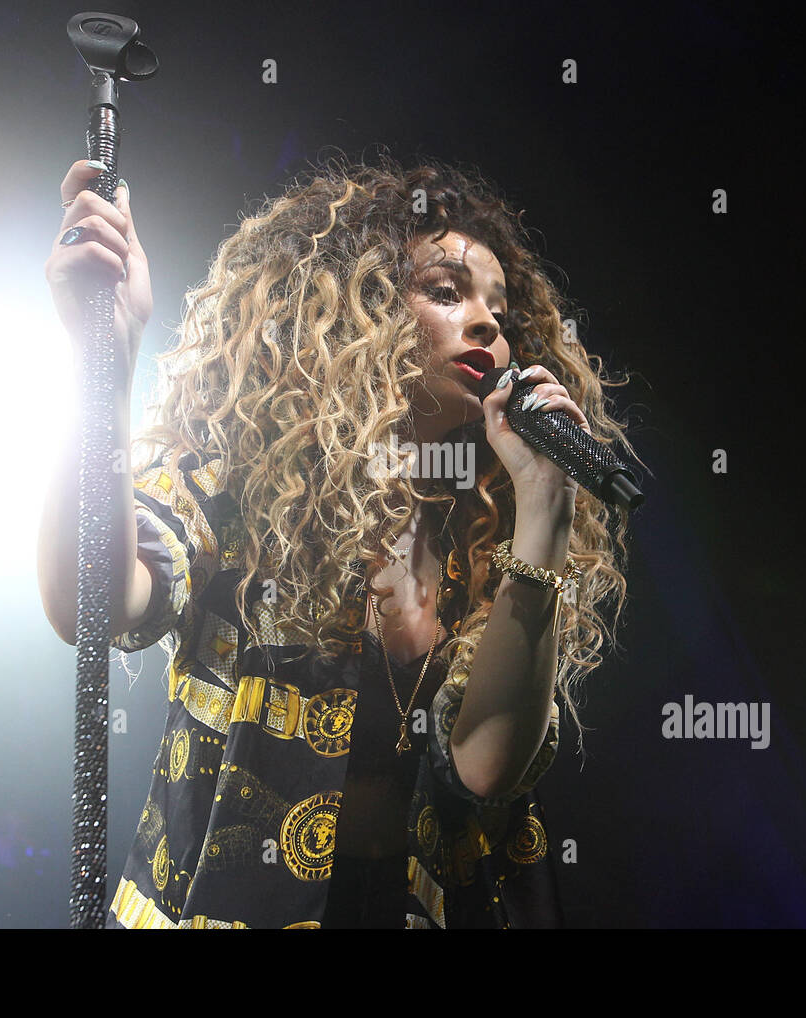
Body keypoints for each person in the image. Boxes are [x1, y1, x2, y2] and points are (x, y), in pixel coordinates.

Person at [38, 153, 636, 928]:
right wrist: (104, 365)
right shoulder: (249, 470)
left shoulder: (487, 532)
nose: (489, 322)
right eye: (446, 292)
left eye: (500, 309)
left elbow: (486, 767)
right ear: (367, 309)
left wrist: (546, 507)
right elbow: (96, 603)